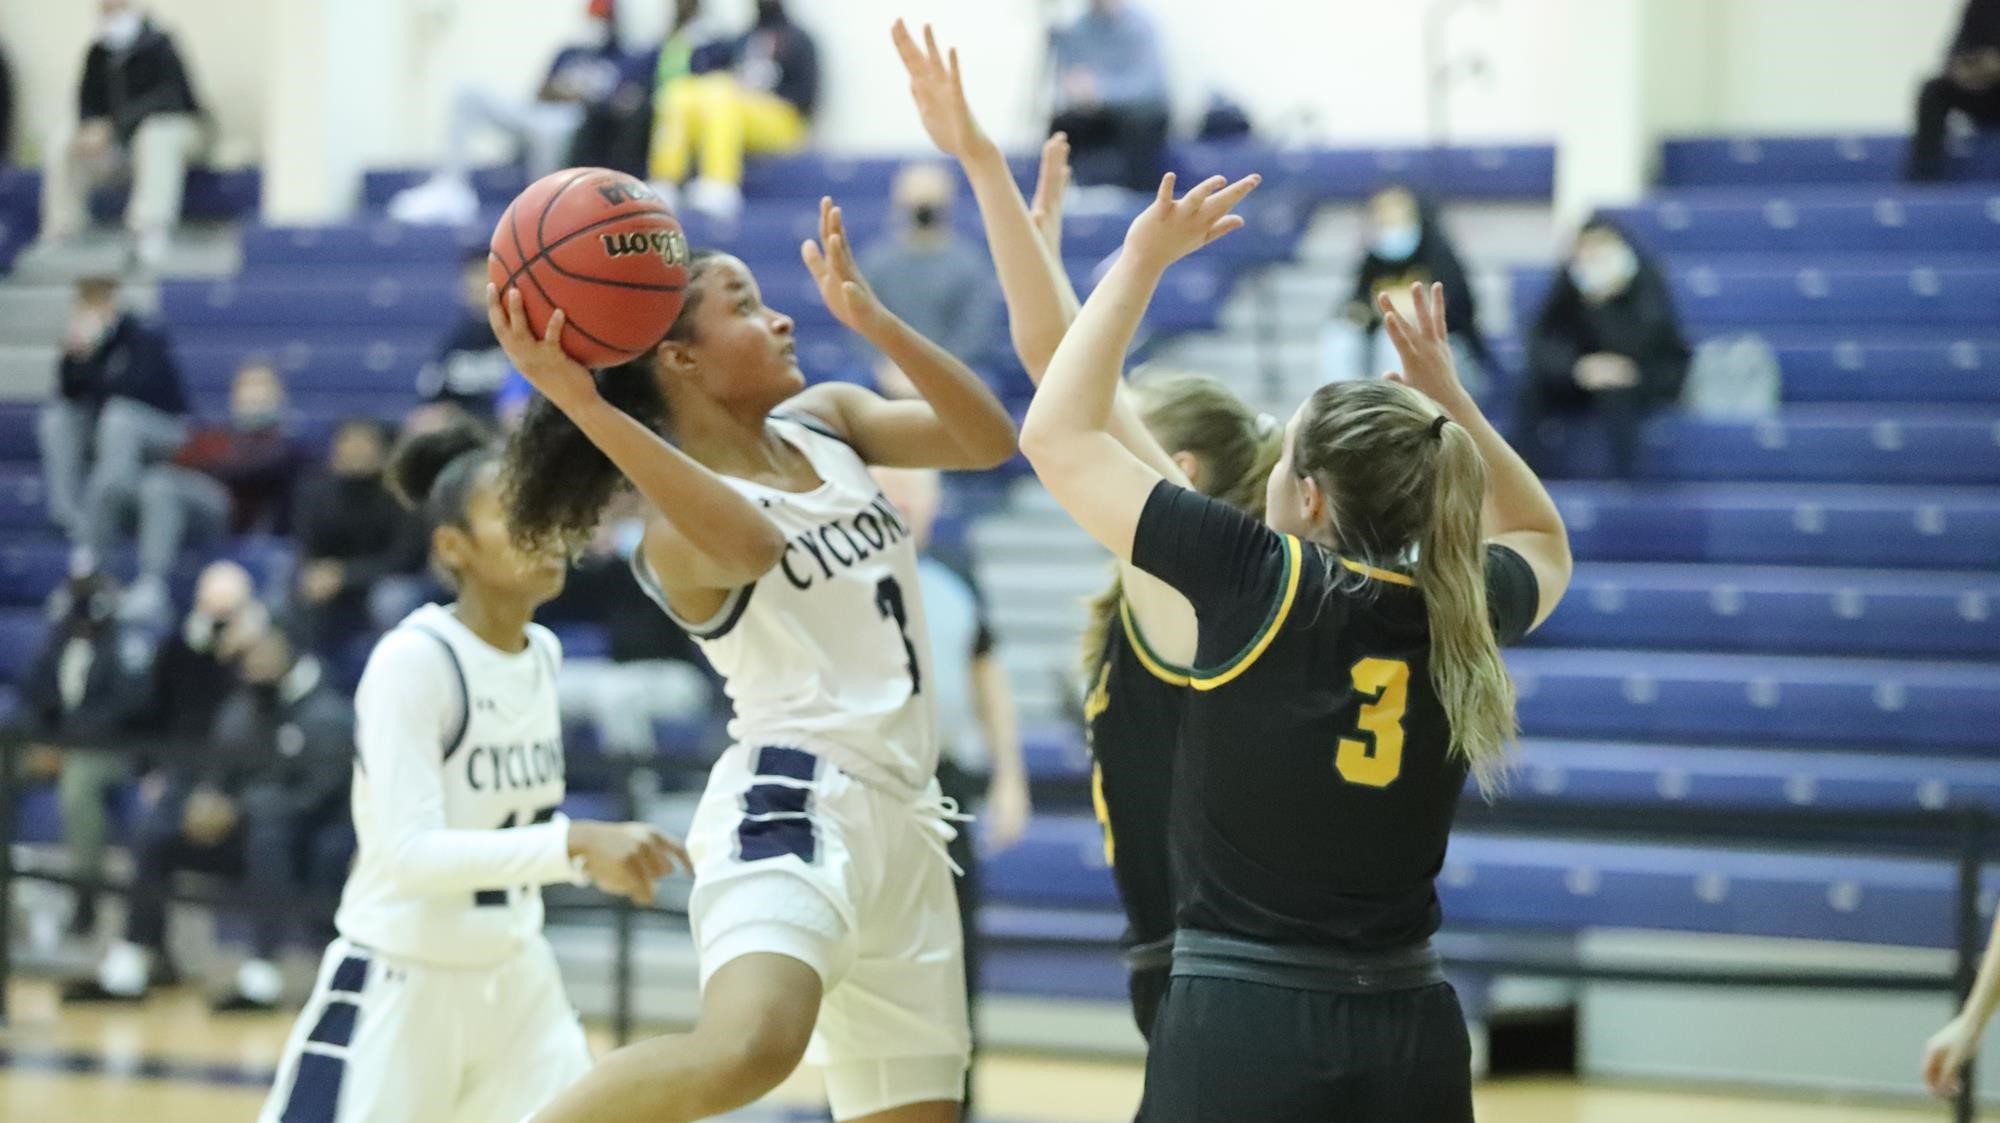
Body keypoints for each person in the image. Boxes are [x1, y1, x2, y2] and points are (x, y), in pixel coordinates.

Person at [493, 115, 1016, 1123]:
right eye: (746, 307)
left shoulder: (829, 419)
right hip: (795, 801)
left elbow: (985, 437)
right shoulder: (671, 532)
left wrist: (880, 322)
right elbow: (752, 548)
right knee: (751, 1045)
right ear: (680, 362)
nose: (780, 319)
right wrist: (586, 404)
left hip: (911, 817)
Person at [1019, 166, 1572, 1120]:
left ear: (1307, 497)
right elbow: (1545, 541)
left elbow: (1056, 434)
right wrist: (1455, 404)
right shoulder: (1455, 598)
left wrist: (1141, 261)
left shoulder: (1253, 574)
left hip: (1249, 1019)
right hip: (1412, 1023)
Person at [893, 24, 1290, 1051]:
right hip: (1213, 963)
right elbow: (1060, 349)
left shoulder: (1195, 581)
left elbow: (1048, 355)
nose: (1101, 414)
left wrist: (980, 159)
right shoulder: (1204, 581)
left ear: (1182, 476)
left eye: (1131, 415)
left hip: (1224, 973)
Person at [258, 421, 685, 1123]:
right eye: (518, 515)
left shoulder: (542, 654)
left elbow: (506, 821)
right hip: (406, 979)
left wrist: (580, 860)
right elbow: (408, 852)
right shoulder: (415, 660)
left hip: (517, 979)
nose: (546, 529)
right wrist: (573, 846)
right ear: (453, 547)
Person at [61, 622, 355, 1012]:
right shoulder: (242, 706)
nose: (253, 660)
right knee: (157, 828)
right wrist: (202, 801)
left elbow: (318, 796)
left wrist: (240, 809)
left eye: (263, 649)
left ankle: (262, 973)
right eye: (249, 652)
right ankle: (132, 960)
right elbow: (215, 769)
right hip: (238, 836)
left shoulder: (328, 713)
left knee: (269, 833)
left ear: (291, 651)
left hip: (302, 841)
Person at [871, 463, 1029, 1108]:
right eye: (896, 489)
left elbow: (989, 678)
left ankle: (953, 1106)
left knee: (954, 960)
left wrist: (1011, 781)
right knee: (869, 961)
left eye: (920, 492)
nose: (909, 502)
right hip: (871, 786)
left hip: (949, 786)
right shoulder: (838, 579)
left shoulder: (957, 577)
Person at [389, 0, 658, 226]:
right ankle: (451, 186)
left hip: (577, 127)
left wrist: (576, 94)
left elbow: (621, 106)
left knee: (551, 127)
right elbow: (541, 92)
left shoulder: (629, 59)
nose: (597, 22)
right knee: (467, 93)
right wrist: (568, 92)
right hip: (540, 114)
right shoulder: (569, 51)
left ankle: (537, 211)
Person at [86, 357, 300, 623]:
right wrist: (200, 454)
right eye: (246, 386)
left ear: (278, 394)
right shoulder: (220, 434)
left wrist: (200, 458)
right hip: (185, 489)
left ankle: (152, 585)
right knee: (120, 420)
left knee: (161, 482)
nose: (253, 394)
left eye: (261, 386)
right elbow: (196, 454)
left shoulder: (280, 442)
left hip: (225, 511)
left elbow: (243, 470)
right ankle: (90, 571)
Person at [13, 569, 154, 940]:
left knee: (78, 785)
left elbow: (128, 706)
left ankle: (85, 894)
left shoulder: (125, 645)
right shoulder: (58, 639)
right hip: (54, 744)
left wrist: (66, 742)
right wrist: (36, 740)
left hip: (106, 751)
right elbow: (32, 695)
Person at [1518, 217, 1691, 480]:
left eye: (1602, 247)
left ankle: (1624, 486)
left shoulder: (1647, 279)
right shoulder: (1570, 281)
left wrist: (1605, 309)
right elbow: (1539, 341)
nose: (1594, 258)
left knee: (1616, 393)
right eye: (1587, 250)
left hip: (1641, 375)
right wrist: (1578, 368)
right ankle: (1521, 477)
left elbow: (1655, 346)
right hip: (1583, 373)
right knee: (1531, 388)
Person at [542, 494, 714, 757]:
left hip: (678, 675)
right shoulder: (615, 565)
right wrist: (588, 551)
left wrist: (627, 544)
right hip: (621, 671)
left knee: (616, 697)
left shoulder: (675, 551)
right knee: (550, 688)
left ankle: (636, 794)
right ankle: (551, 780)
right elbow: (565, 590)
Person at [39, 0, 206, 269]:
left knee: (155, 134)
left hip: (176, 135)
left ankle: (149, 228)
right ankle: (62, 229)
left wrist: (114, 127)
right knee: (64, 140)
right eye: (104, 10)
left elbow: (171, 99)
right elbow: (87, 103)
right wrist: (91, 127)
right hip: (121, 147)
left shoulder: (160, 44)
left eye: (115, 9)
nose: (109, 16)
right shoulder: (98, 52)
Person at [36, 277, 189, 553]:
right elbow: (71, 393)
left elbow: (132, 389)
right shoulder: (87, 347)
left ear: (112, 304)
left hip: (163, 430)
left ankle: (113, 505)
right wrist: (74, 358)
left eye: (96, 305)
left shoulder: (143, 335)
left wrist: (92, 364)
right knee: (57, 418)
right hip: (111, 432)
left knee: (119, 416)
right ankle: (70, 516)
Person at [648, 0, 818, 221]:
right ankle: (666, 181)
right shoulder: (742, 38)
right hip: (739, 111)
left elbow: (805, 97)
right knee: (680, 92)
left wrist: (757, 96)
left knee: (723, 94)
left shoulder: (797, 37)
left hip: (786, 121)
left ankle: (720, 183)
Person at [1325, 185, 1491, 392]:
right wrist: (1361, 314)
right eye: (1383, 220)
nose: (1390, 226)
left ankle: (1399, 415)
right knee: (1342, 337)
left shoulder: (1439, 255)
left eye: (1397, 218)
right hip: (1379, 350)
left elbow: (1461, 312)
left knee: (1394, 340)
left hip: (1450, 353)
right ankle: (1340, 408)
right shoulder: (1374, 258)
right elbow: (1356, 303)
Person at [290, 418, 429, 659]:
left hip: (391, 580)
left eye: (363, 443)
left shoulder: (402, 493)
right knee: (291, 586)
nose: (354, 451)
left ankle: (394, 668)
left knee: (391, 599)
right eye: (347, 443)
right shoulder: (315, 490)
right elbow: (307, 547)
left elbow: (403, 559)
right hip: (331, 582)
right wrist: (316, 574)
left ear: (383, 451)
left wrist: (345, 576)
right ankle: (308, 672)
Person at [860, 162, 1000, 393]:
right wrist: (889, 368)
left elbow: (976, 329)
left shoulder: (969, 262)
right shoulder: (876, 261)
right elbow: (861, 325)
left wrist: (938, 369)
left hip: (958, 368)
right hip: (885, 372)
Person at [1049, 0, 1171, 199]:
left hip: (1137, 113)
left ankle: (1138, 200)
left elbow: (1151, 86)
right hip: (1097, 114)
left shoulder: (1141, 26)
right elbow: (1068, 81)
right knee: (1063, 125)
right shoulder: (1076, 29)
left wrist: (1101, 92)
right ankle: (1067, 194)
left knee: (1142, 123)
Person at [414, 251, 516, 422]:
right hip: (465, 429)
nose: (477, 284)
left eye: (484, 275)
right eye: (472, 277)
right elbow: (430, 400)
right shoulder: (454, 342)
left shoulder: (519, 337)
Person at [1908, 0, 2000, 181]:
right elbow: (1955, 52)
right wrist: (1964, 67)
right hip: (1987, 90)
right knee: (1934, 91)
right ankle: (1925, 178)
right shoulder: (1983, 6)